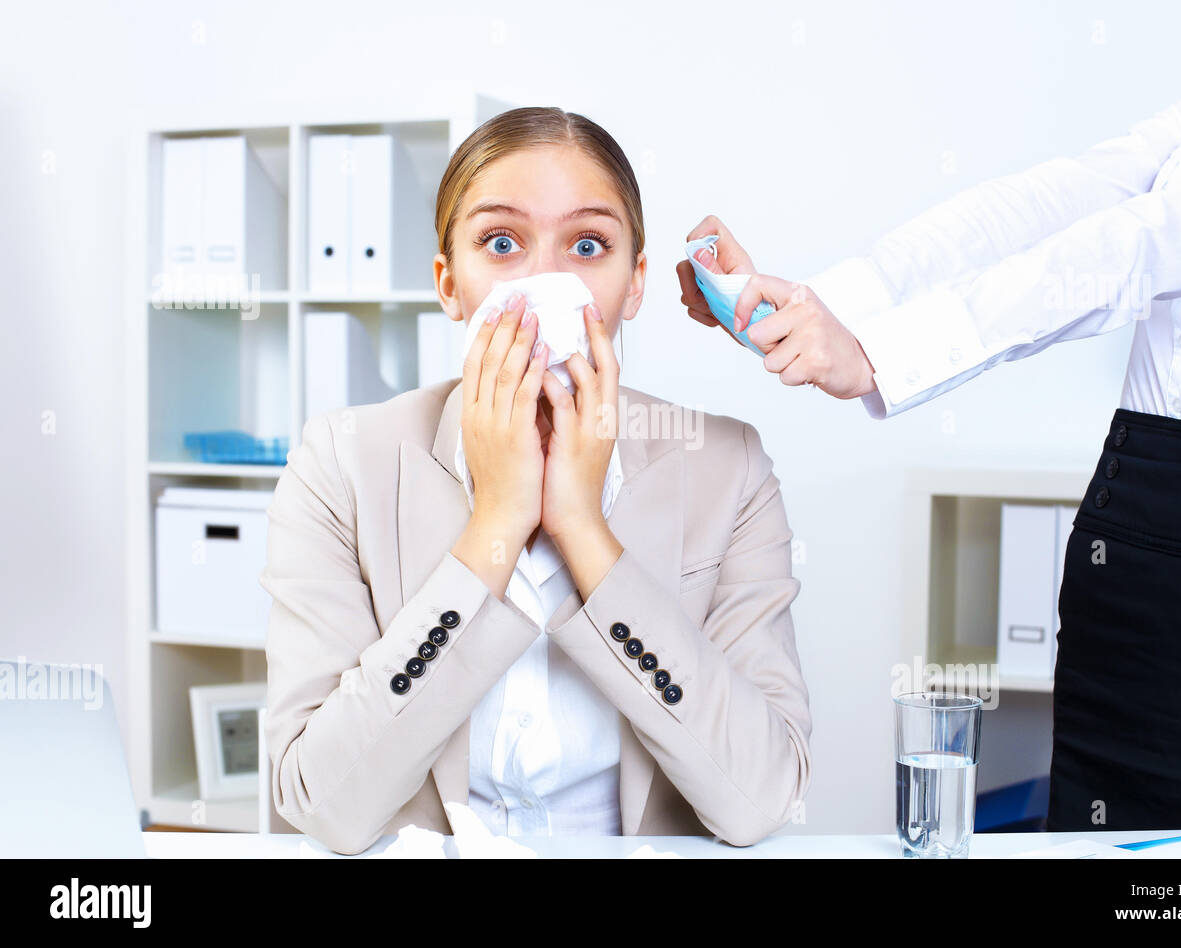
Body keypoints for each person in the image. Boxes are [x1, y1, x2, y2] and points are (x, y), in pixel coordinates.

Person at [679, 41, 1181, 832]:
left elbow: (1144, 244)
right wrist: (808, 306)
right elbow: (1047, 203)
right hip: (1134, 523)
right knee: (1099, 854)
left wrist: (877, 355)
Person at [260, 106, 811, 856]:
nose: (546, 282)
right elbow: (323, 806)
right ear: (449, 286)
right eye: (501, 242)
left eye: (588, 245)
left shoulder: (727, 468)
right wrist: (496, 526)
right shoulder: (341, 463)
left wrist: (584, 531)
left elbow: (763, 797)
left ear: (635, 284)